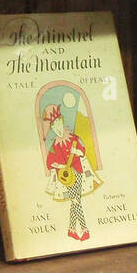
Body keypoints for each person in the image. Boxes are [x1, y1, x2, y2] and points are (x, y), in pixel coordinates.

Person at [43, 104, 96, 242]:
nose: (57, 128)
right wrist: (56, 164)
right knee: (75, 200)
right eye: (53, 127)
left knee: (75, 200)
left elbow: (82, 151)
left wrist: (77, 152)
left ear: (62, 122)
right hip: (65, 176)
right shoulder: (55, 143)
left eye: (58, 124)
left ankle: (83, 230)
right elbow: (50, 161)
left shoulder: (74, 138)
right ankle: (72, 230)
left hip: (76, 171)